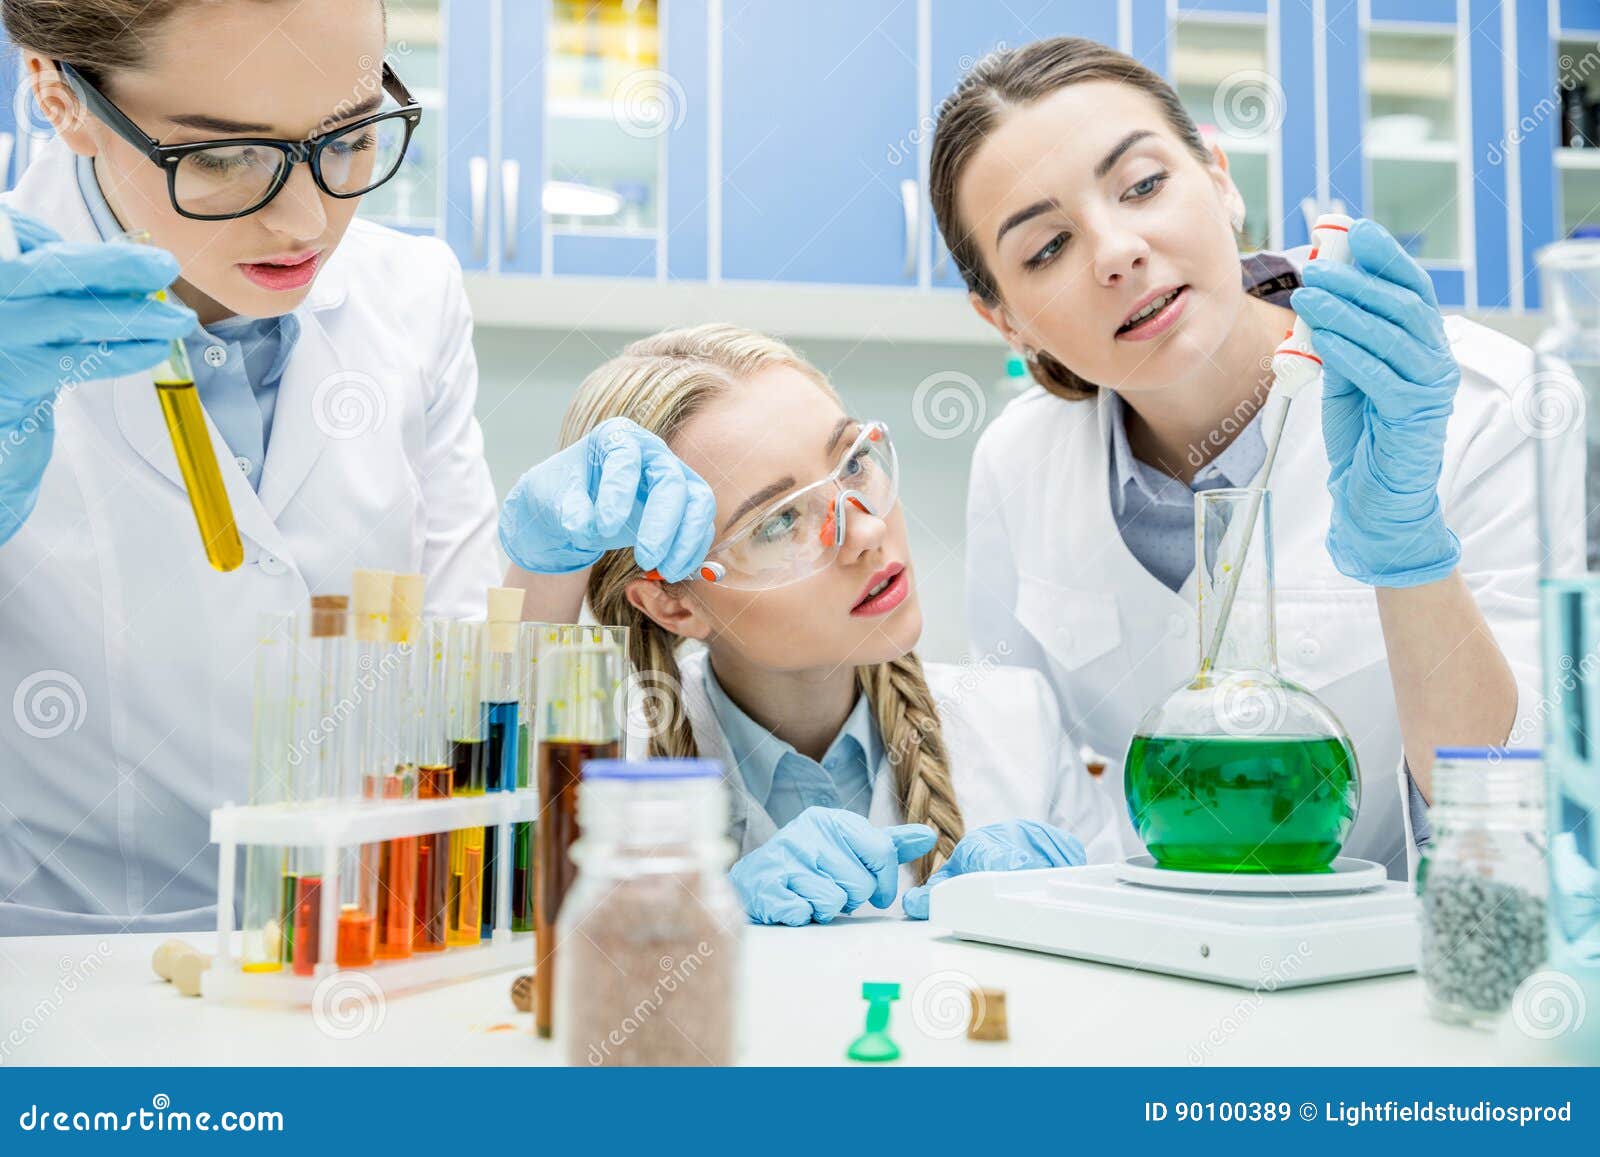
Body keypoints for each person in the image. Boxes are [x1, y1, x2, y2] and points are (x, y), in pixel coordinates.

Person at [926, 37, 1564, 877]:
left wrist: (1409, 557)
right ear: (1002, 319)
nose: (1117, 251)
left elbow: (1515, 816)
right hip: (1149, 963)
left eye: (1144, 184)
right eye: (1046, 248)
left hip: (1403, 972)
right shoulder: (1016, 464)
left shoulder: (1476, 398)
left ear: (1221, 180)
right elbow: (1030, 769)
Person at [0, 0, 498, 934]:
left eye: (349, 136)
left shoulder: (413, 296)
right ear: (54, 91)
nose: (306, 220)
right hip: (58, 979)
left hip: (359, 948)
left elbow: (458, 660)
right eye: (224, 158)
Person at [500, 324, 1120, 924]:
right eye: (778, 523)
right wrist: (717, 919)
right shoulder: (606, 766)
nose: (869, 532)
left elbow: (1119, 1003)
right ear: (674, 605)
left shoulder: (1016, 724)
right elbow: (512, 937)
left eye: (853, 464)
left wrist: (1069, 907)